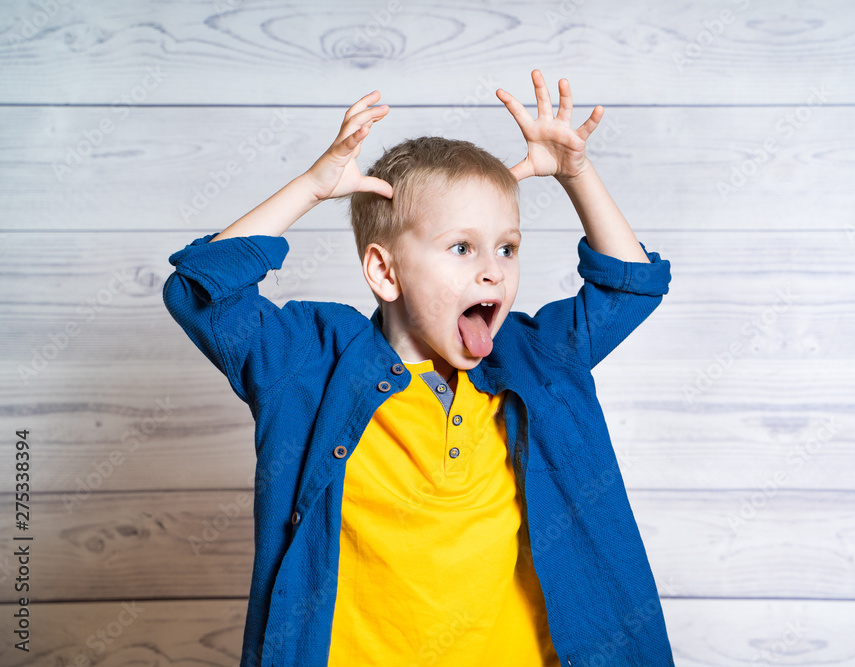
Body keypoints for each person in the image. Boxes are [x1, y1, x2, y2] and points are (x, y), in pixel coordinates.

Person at [163, 69, 674, 666]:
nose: (493, 271)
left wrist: (576, 174)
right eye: (462, 248)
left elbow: (628, 288)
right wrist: (311, 186)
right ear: (385, 272)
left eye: (506, 248)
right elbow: (204, 292)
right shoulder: (312, 362)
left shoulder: (532, 357)